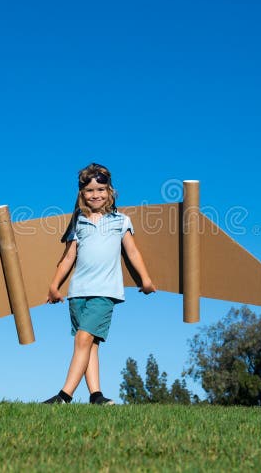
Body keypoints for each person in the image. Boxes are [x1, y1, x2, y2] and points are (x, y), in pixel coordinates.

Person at [43, 163, 156, 405]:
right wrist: (54, 286)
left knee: (83, 340)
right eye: (90, 191)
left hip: (104, 292)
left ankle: (64, 396)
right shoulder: (78, 222)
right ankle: (96, 396)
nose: (96, 195)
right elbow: (68, 258)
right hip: (77, 293)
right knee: (90, 345)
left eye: (101, 189)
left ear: (110, 191)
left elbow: (133, 253)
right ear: (82, 194)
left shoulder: (120, 221)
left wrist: (145, 279)